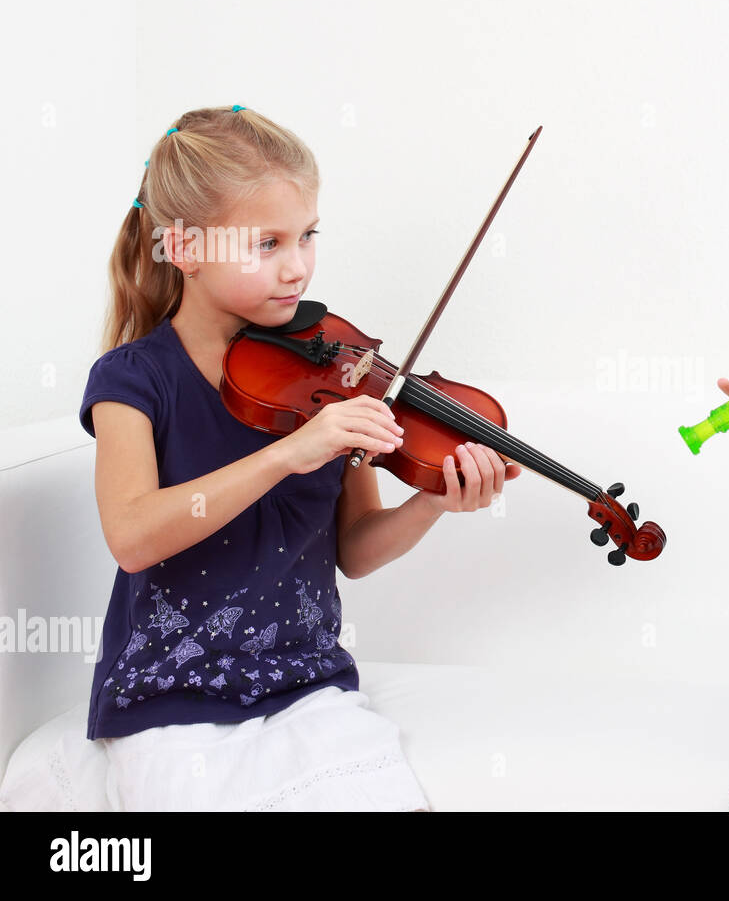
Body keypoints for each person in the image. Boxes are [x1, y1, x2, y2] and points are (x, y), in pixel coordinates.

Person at [67, 105, 517, 811]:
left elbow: (357, 550)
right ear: (183, 249)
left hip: (308, 686)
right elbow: (131, 537)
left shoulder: (333, 377)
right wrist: (289, 455)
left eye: (307, 236)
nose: (297, 265)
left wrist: (434, 499)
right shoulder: (134, 379)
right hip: (170, 696)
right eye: (267, 243)